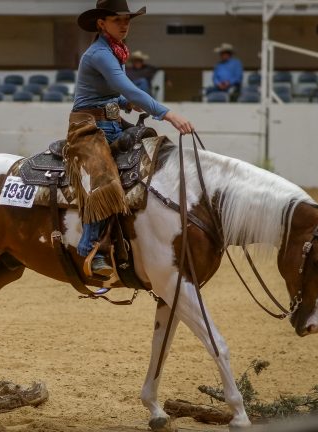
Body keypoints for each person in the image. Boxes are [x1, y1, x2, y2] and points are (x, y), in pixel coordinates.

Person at [70, 0, 194, 286]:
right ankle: (89, 248)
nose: (124, 25)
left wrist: (124, 103)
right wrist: (167, 113)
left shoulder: (114, 50)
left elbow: (114, 91)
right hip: (88, 128)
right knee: (104, 181)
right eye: (117, 20)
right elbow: (124, 85)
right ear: (102, 23)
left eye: (127, 20)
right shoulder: (100, 53)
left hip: (112, 124)